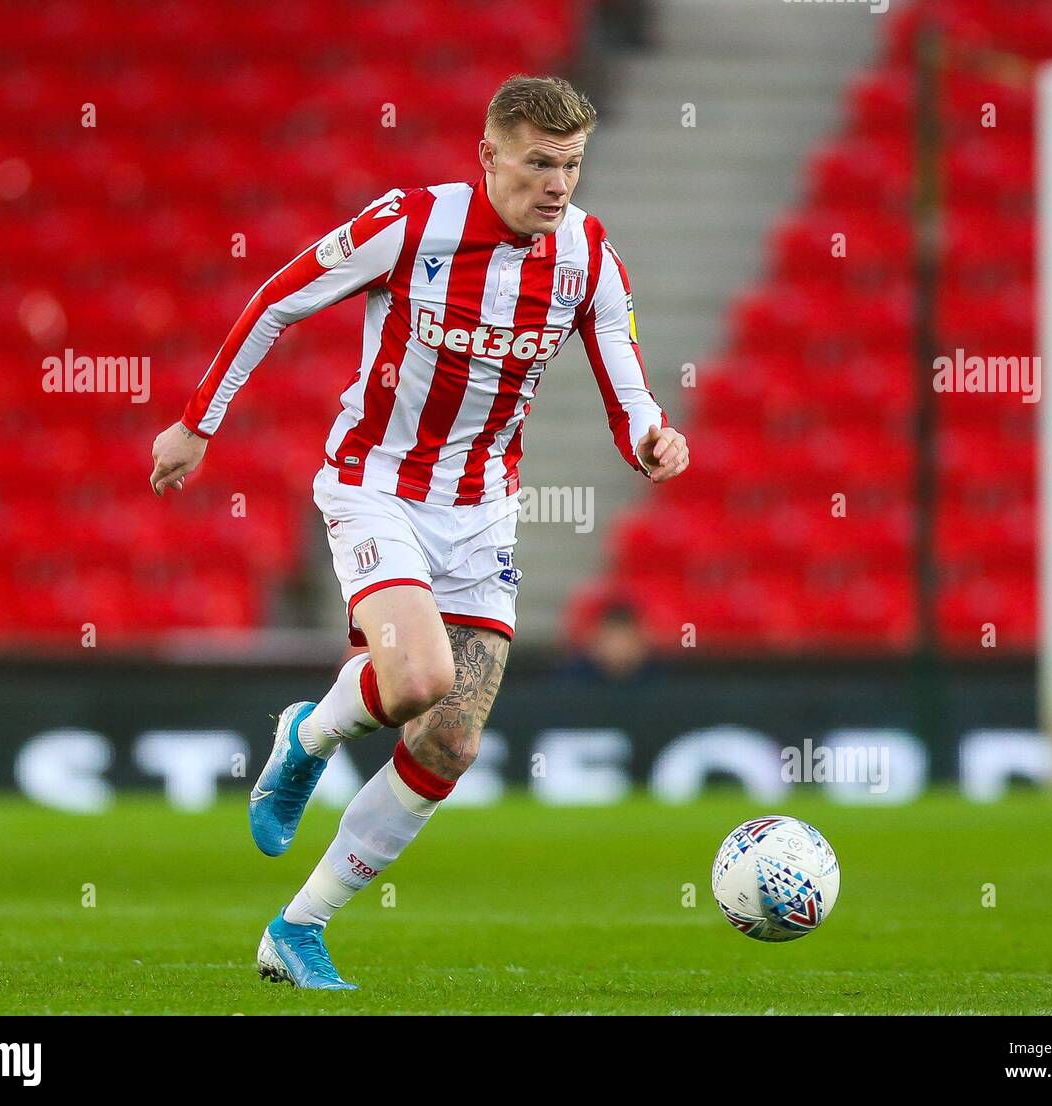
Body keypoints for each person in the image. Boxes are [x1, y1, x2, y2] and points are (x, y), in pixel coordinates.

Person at [148, 75, 689, 990]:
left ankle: (298, 927)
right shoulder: (413, 224)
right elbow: (279, 298)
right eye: (539, 164)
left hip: (482, 519)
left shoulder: (590, 258)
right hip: (377, 490)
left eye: (572, 166)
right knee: (420, 680)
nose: (558, 185)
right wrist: (198, 422)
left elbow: (629, 390)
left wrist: (653, 438)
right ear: (489, 157)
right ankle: (308, 740)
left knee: (450, 742)